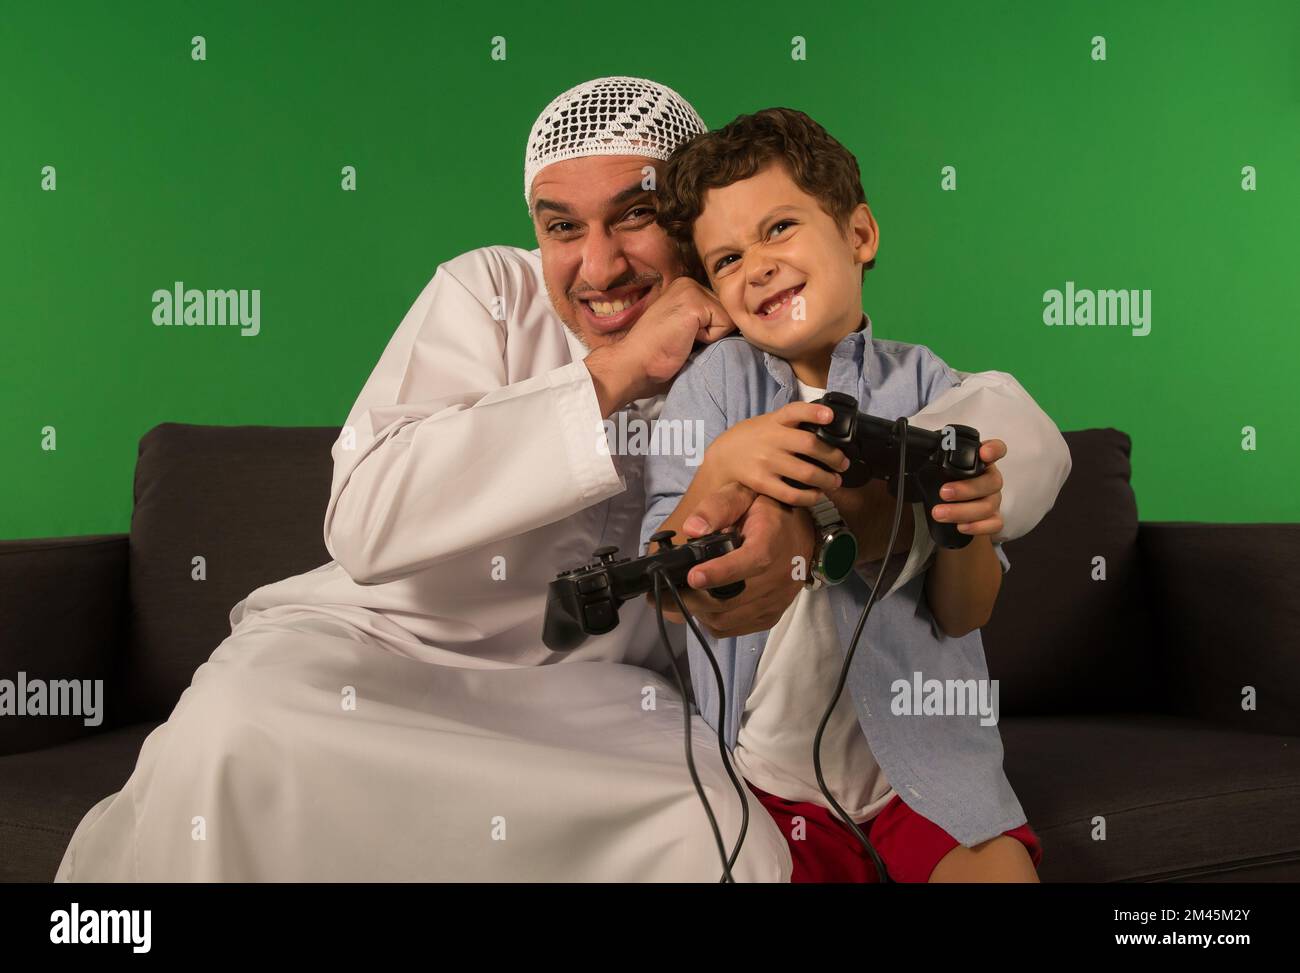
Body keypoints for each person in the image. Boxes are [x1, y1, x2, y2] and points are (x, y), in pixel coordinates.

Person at [55, 77, 1069, 883]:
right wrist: (619, 367)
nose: (597, 264)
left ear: (690, 223)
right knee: (238, 736)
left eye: (634, 218)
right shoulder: (485, 292)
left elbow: (980, 430)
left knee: (706, 825)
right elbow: (362, 521)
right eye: (559, 225)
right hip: (379, 649)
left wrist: (893, 510)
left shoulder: (750, 355)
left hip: (594, 690)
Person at [642, 106, 1052, 882]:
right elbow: (667, 572)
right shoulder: (715, 388)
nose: (756, 266)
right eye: (725, 260)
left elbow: (963, 611)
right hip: (769, 780)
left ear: (858, 236)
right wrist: (725, 463)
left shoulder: (935, 388)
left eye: (779, 229)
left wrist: (959, 521)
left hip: (925, 778)